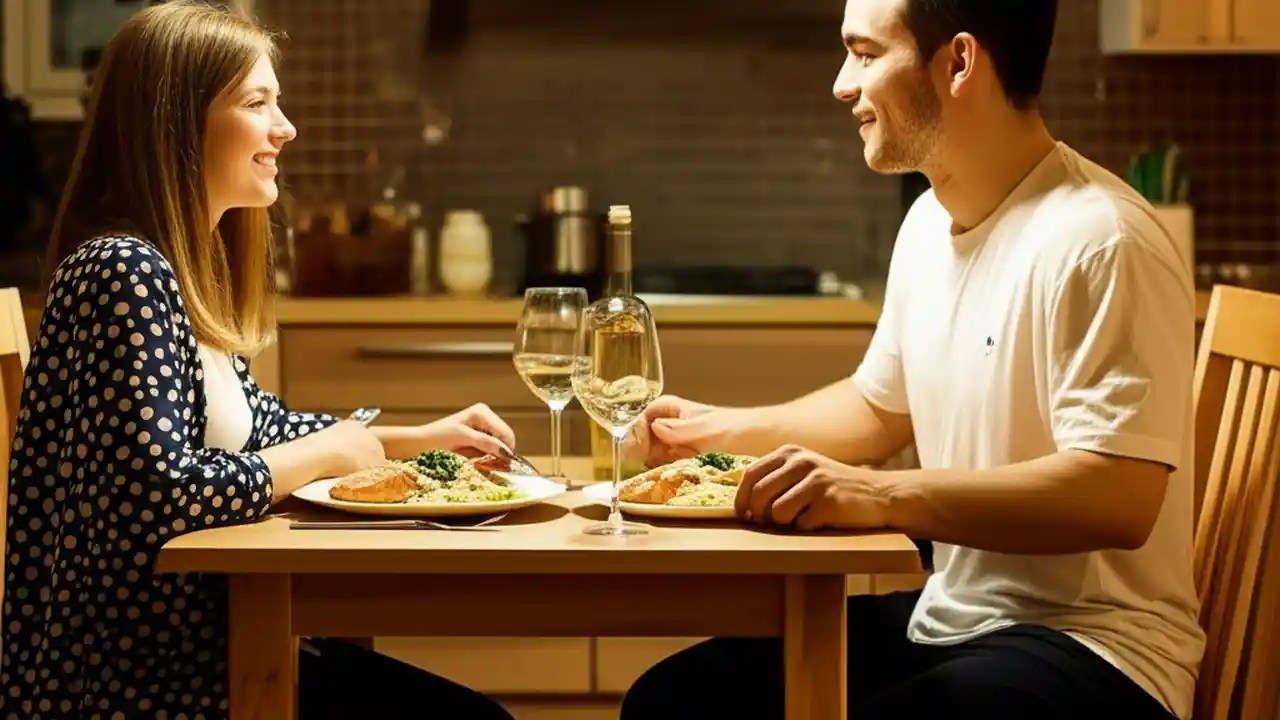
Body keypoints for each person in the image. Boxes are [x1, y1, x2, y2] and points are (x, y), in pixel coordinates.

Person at [621, 0, 1203, 718]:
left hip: (1097, 648)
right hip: (953, 619)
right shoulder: (928, 223)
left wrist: (882, 496)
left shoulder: (1100, 240)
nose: (841, 83)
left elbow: (1118, 496)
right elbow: (878, 408)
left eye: (865, 54)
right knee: (676, 702)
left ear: (958, 63)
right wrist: (712, 437)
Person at [0, 3, 516, 718]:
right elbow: (155, 498)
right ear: (177, 123)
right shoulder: (122, 272)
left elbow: (258, 431)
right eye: (257, 103)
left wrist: (415, 443)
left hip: (217, 645)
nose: (286, 128)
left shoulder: (177, 272)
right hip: (149, 684)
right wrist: (335, 451)